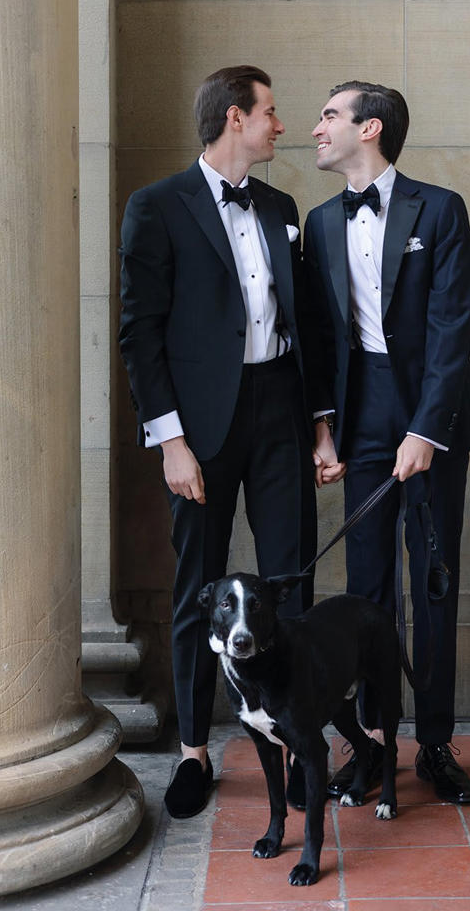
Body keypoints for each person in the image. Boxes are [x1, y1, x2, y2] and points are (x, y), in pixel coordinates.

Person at [119, 65, 316, 818]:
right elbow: (140, 335)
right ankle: (195, 752)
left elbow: (302, 324)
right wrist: (170, 441)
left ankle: (299, 746)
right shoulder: (156, 207)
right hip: (198, 427)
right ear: (236, 118)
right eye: (271, 111)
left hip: (279, 412)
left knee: (289, 583)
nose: (280, 125)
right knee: (198, 587)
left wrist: (317, 425)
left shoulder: (281, 205)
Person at [303, 81, 470, 805]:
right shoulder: (321, 222)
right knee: (369, 588)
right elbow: (322, 339)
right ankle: (372, 745)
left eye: (329, 116)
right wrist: (324, 428)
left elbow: (453, 327)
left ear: (369, 127)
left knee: (433, 581)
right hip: (361, 419)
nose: (317, 128)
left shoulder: (439, 208)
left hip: (432, 418)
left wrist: (426, 430)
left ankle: (435, 744)